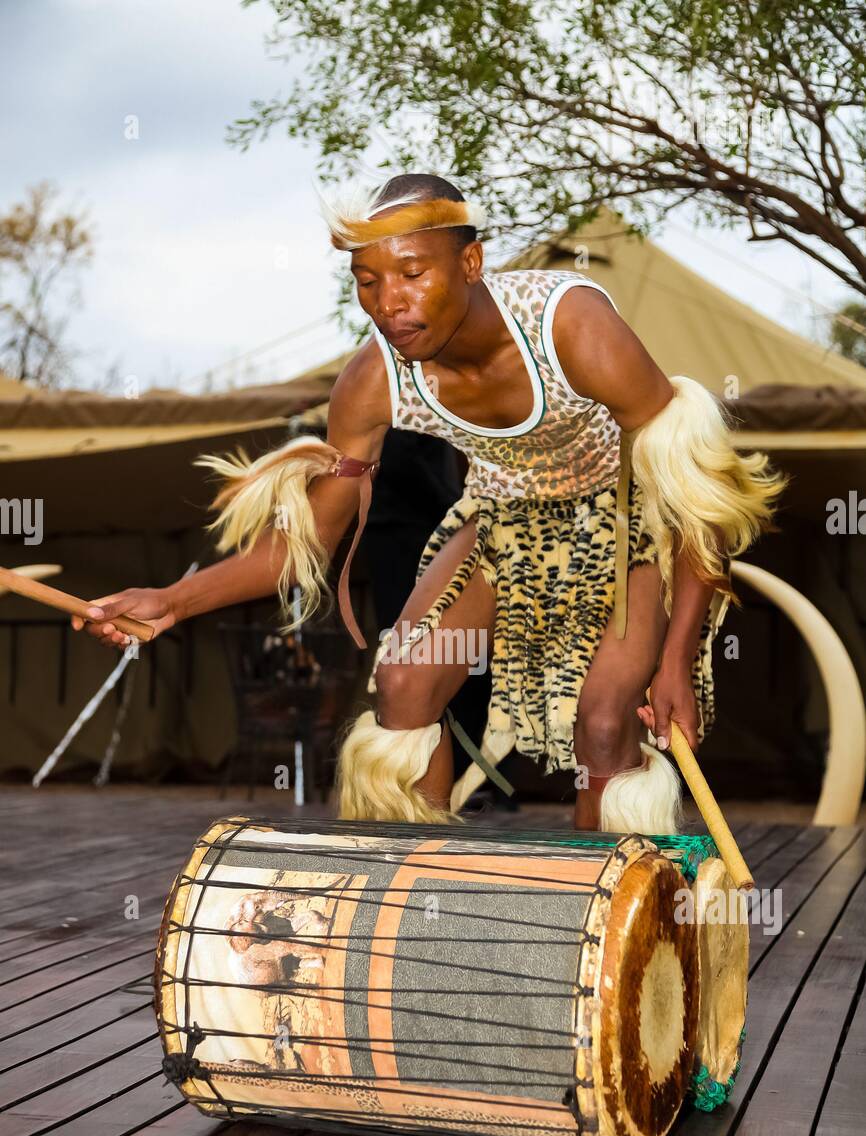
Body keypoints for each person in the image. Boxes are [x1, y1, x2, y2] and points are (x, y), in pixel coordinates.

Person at [72, 172, 786, 832]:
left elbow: (703, 502)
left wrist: (676, 660)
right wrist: (173, 600)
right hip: (503, 524)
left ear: (470, 265)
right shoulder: (372, 379)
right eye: (367, 281)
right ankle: (413, 911)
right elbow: (307, 542)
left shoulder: (570, 326)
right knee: (404, 682)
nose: (388, 303)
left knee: (602, 725)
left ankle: (610, 934)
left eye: (412, 274)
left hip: (632, 523)